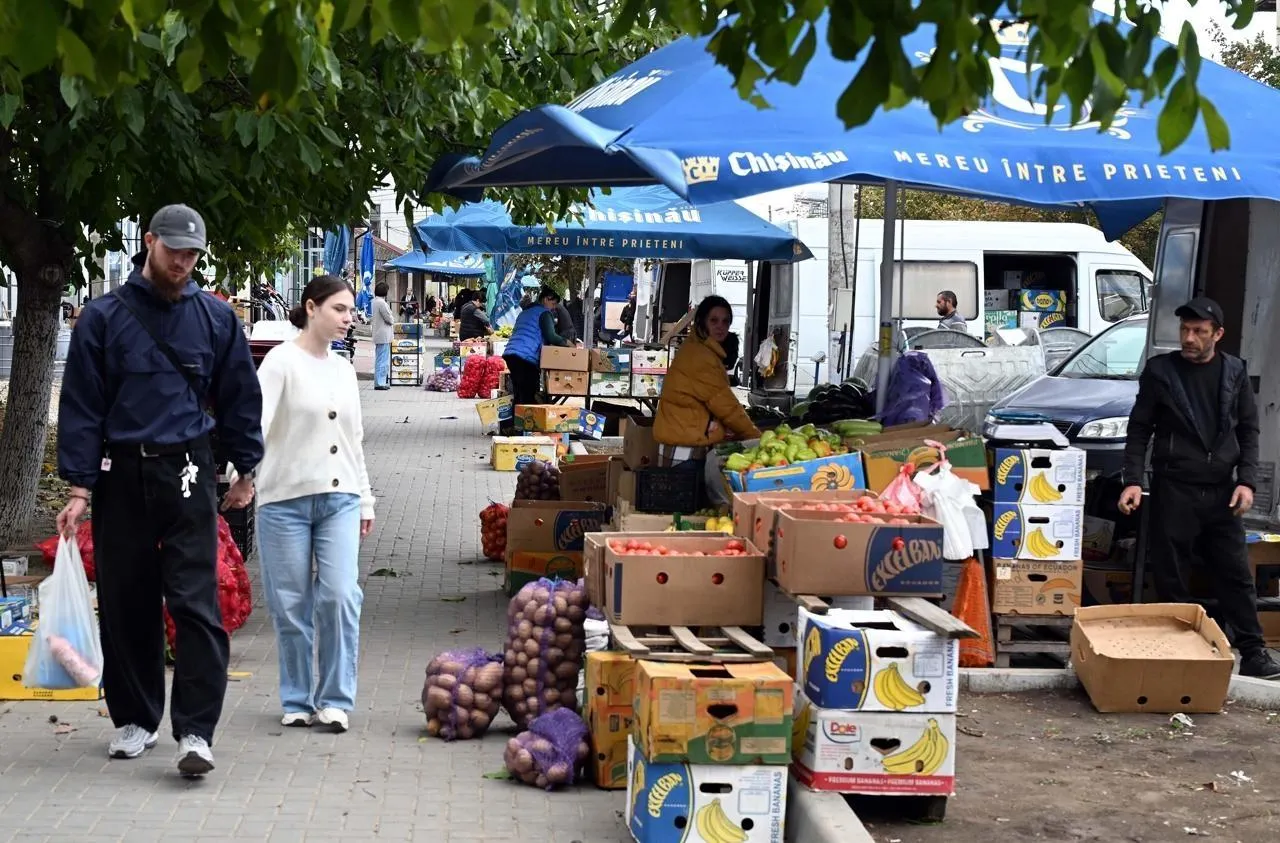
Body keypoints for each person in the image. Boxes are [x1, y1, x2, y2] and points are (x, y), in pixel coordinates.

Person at [56, 204, 264, 776]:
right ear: (149, 242)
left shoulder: (217, 320)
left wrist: (246, 470)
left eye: (193, 253)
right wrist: (77, 487)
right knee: (126, 602)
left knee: (196, 603)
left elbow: (241, 398)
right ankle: (135, 719)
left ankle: (196, 732)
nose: (183, 262)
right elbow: (82, 405)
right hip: (120, 473)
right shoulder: (102, 317)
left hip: (189, 471)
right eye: (174, 250)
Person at [1119, 296, 1280, 679]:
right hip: (1174, 487)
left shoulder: (1234, 371)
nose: (1189, 338)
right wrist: (1132, 481)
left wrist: (1247, 482)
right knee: (1171, 572)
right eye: (1185, 330)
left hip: (1222, 490)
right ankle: (1181, 651)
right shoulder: (1161, 372)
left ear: (1217, 335)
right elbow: (1139, 428)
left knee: (1236, 573)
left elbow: (1248, 430)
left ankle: (1255, 653)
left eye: (1199, 332)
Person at [255, 275, 376, 732]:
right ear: (312, 307)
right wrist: (243, 475)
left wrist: (364, 498)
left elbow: (354, 441)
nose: (349, 319)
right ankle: (296, 698)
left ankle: (335, 699)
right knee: (290, 603)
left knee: (341, 595)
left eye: (350, 311)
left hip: (340, 498)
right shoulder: (279, 363)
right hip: (283, 499)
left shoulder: (344, 370)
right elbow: (257, 426)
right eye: (341, 310)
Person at [654, 296, 761, 491]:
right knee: (685, 510)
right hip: (685, 452)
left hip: (681, 443)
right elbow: (726, 406)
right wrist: (756, 439)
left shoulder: (696, 347)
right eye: (714, 320)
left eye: (725, 321)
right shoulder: (702, 357)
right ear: (702, 321)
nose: (720, 326)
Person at [501, 286, 576, 430]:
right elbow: (551, 336)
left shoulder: (525, 312)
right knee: (528, 394)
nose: (554, 308)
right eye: (553, 303)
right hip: (525, 357)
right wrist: (569, 345)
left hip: (511, 353)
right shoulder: (544, 313)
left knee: (519, 392)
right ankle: (526, 429)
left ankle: (510, 427)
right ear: (545, 299)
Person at [371, 281, 394, 391]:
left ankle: (379, 381)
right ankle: (380, 382)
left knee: (380, 358)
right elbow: (389, 318)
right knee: (383, 359)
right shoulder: (382, 303)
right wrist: (392, 319)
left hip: (378, 333)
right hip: (383, 334)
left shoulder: (374, 301)